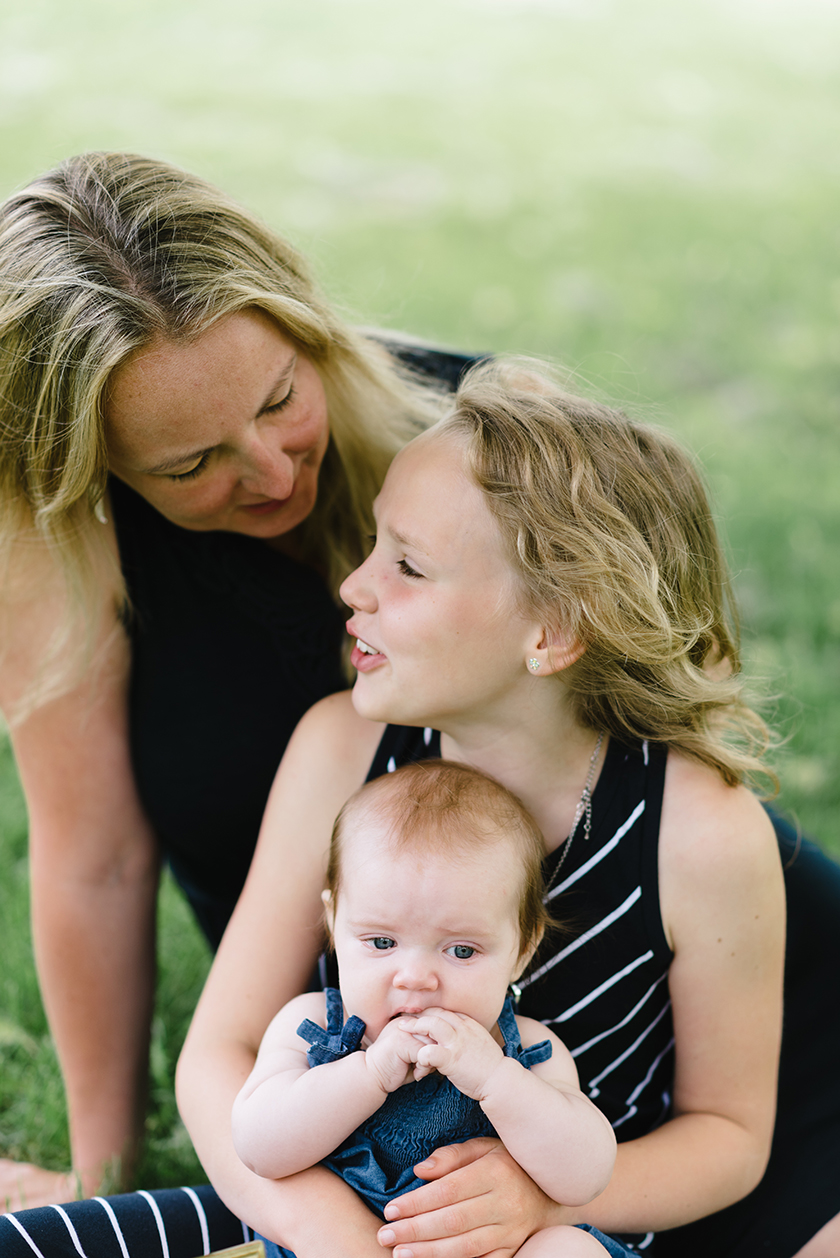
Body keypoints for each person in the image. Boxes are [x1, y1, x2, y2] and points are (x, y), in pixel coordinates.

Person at [2, 364, 838, 1254]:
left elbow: (728, 1136)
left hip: (565, 1232)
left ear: (553, 631)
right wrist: (328, 1232)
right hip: (324, 1200)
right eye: (373, 546)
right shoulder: (342, 751)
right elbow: (221, 1055)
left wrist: (541, 1207)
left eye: (407, 565)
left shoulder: (701, 832)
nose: (354, 586)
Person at [0, 151, 472, 1206]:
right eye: (189, 464)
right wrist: (102, 1175)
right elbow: (95, 862)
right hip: (314, 1067)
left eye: (279, 399)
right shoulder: (63, 552)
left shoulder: (482, 438)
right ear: (95, 468)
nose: (269, 471)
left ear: (307, 327)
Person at [233, 759, 626, 1258]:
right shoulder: (309, 1027)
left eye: (461, 950)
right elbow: (259, 1148)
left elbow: (586, 1177)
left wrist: (495, 1079)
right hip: (340, 1246)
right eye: (381, 942)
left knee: (569, 1249)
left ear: (522, 950)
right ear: (334, 924)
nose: (416, 977)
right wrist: (369, 1073)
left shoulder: (529, 1051)